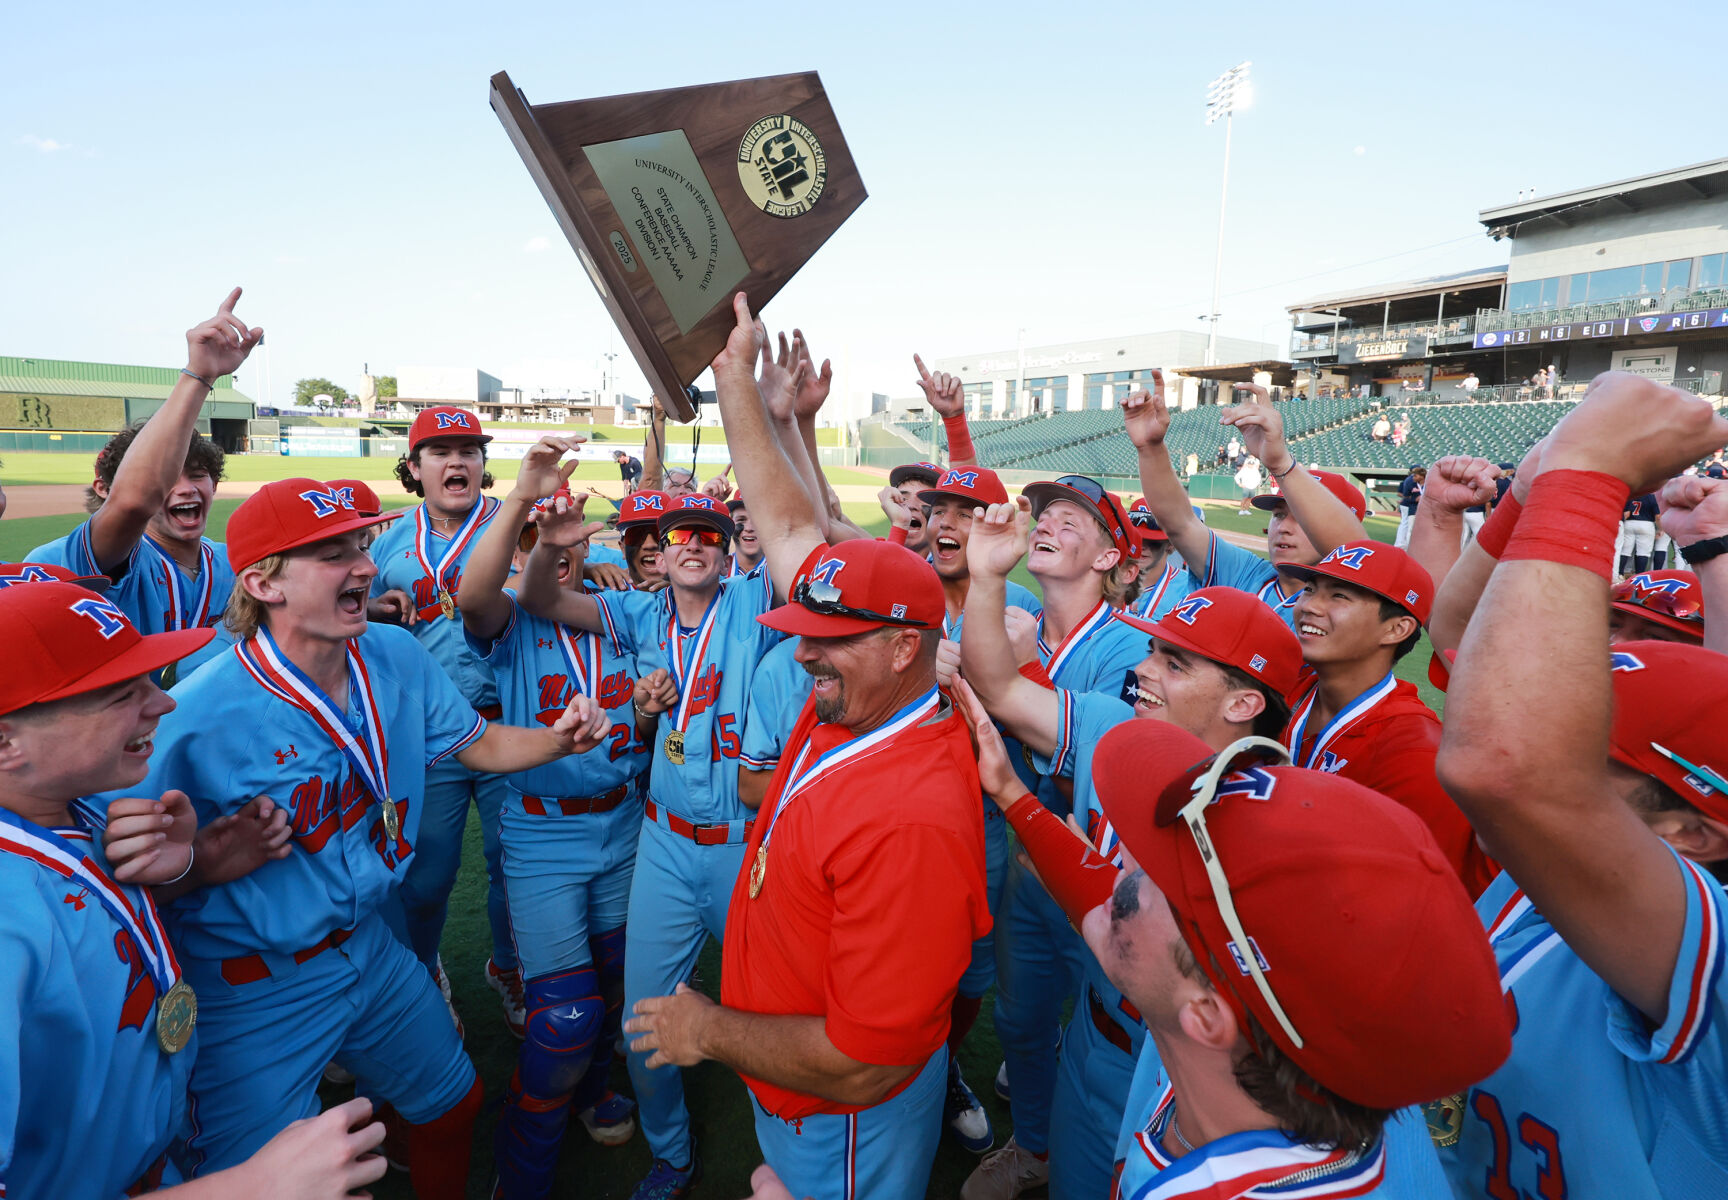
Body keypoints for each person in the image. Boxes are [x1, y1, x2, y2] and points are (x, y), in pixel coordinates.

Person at [109, 478, 614, 1192]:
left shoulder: (394, 655)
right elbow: (121, 877)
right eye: (331, 554)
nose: (366, 567)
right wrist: (194, 864)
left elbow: (481, 745)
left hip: (372, 945)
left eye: (360, 545)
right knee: (248, 1183)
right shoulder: (190, 716)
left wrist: (557, 743)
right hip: (252, 982)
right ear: (262, 583)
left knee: (451, 1102)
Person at [626, 295, 990, 1200]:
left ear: (906, 646)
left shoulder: (912, 817)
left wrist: (707, 1030)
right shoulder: (864, 694)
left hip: (844, 1120)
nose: (800, 650)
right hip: (799, 1098)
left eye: (825, 636)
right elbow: (791, 529)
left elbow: (864, 1064)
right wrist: (738, 384)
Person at [0, 579, 395, 1199]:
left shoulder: (78, 810)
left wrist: (197, 867)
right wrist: (252, 1188)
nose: (162, 705)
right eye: (118, 693)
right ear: (5, 742)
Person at [1436, 371, 1728, 1197]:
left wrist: (1589, 469)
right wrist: (1527, 501)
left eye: (1589, 757)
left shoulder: (1708, 946)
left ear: (1692, 835)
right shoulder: (1559, 871)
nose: (1551, 737)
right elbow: (1461, 641)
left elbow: (1509, 763)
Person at [959, 567, 1302, 1200]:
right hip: (1091, 1031)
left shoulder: (1269, 831)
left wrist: (1079, 876)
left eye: (1175, 663)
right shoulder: (1110, 723)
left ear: (1242, 704)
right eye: (1151, 651)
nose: (1144, 669)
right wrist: (985, 573)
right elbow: (1000, 686)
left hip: (1169, 1074)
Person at [1087, 721, 1510, 1196]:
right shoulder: (1304, 1070)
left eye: (1163, 878)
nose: (1123, 858)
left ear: (1206, 1016)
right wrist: (1016, 799)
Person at [458, 439, 650, 1198]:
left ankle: (595, 1090)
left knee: (611, 984)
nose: (559, 557)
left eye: (570, 544)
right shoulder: (512, 623)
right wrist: (526, 513)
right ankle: (525, 1159)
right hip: (545, 830)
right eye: (542, 546)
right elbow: (476, 601)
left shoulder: (624, 614)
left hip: (625, 825)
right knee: (565, 1013)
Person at [955, 475, 1147, 1200]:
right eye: (1047, 515)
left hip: (1100, 882)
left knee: (1110, 1034)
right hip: (1024, 868)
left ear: (1107, 559)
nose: (1047, 525)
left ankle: (1118, 1163)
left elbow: (1088, 783)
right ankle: (1034, 1143)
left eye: (1072, 521)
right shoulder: (1012, 611)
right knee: (1020, 1018)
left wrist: (1021, 663)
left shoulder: (1132, 650)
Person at [366, 405, 521, 1034]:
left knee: (514, 868)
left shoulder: (519, 527)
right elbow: (351, 613)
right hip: (427, 737)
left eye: (469, 451)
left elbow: (560, 576)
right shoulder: (387, 543)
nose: (456, 462)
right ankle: (425, 967)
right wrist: (374, 606)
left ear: (483, 465)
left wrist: (592, 567)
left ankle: (508, 966)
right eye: (439, 452)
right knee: (425, 876)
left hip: (509, 723)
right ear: (414, 466)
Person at [26, 289, 263, 683]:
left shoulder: (238, 562)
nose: (184, 488)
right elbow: (134, 503)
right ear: (109, 487)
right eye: (170, 476)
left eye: (198, 474)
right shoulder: (101, 557)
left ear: (215, 484)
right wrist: (200, 376)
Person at [1284, 539, 1493, 895]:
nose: (1309, 606)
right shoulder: (1282, 686)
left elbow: (1417, 896)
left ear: (1396, 629)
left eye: (1339, 596)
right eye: (1309, 589)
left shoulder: (1414, 752)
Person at [1127, 375, 1367, 629]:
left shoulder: (1361, 602)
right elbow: (1180, 524)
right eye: (1278, 514)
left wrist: (1280, 464)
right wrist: (1150, 448)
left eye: (1301, 518)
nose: (1283, 528)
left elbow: (1356, 553)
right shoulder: (1247, 572)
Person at [1619, 489, 1660, 576]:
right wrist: (1660, 528)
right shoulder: (1651, 496)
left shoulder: (1632, 495)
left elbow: (1626, 512)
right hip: (1646, 524)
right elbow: (1658, 516)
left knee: (1625, 551)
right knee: (1643, 552)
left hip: (1629, 523)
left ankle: (1620, 574)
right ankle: (1639, 575)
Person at [725, 495, 763, 576]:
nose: (749, 528)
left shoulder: (781, 572)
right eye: (741, 520)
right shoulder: (716, 569)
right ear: (730, 525)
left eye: (757, 520)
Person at [1394, 465, 1425, 549]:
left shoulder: (1414, 479)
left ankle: (1401, 543)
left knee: (1406, 524)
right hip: (1407, 504)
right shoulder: (1409, 480)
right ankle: (1400, 543)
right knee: (1405, 524)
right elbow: (1403, 494)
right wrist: (1413, 498)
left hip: (1410, 504)